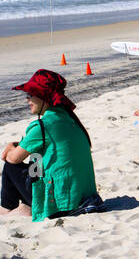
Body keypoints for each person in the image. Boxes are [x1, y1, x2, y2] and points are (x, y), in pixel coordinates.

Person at [2, 70, 101, 221]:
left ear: (43, 96)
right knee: (36, 161)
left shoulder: (43, 126)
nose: (27, 99)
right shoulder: (68, 117)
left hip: (62, 204)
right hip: (84, 195)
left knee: (11, 166)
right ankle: (22, 206)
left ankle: (6, 210)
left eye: (30, 95)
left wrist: (9, 147)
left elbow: (11, 159)